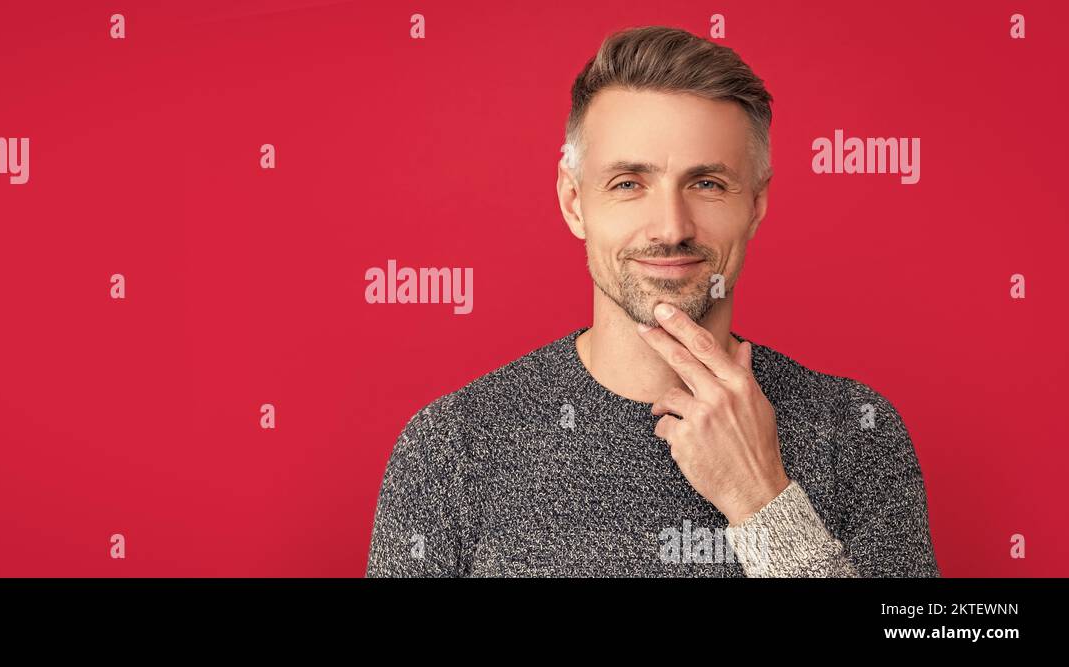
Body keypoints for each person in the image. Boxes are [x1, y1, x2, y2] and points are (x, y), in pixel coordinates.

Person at [365, 25, 939, 577]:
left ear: (757, 205)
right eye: (627, 183)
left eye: (708, 183)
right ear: (574, 203)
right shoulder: (451, 448)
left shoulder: (854, 431)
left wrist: (761, 501)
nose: (670, 227)